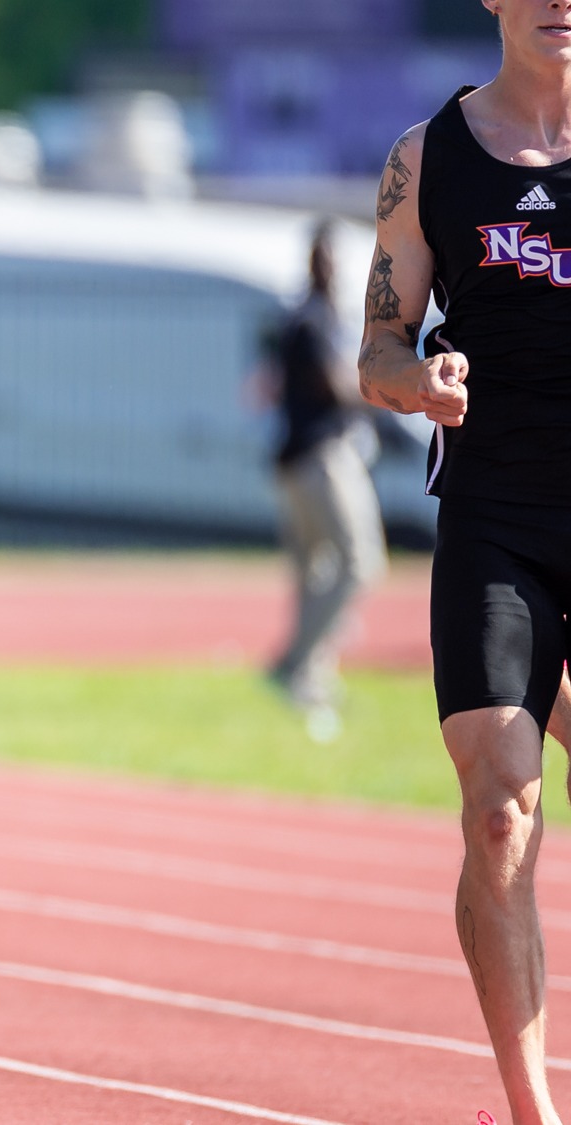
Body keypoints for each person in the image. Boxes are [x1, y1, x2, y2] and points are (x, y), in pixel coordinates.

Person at [357, 2, 571, 1119]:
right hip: (495, 521)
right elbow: (376, 351)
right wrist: (414, 385)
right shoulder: (423, 158)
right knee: (497, 813)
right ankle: (529, 1108)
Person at [265, 223, 387, 741]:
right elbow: (334, 386)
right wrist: (391, 388)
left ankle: (311, 671)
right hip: (320, 458)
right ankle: (295, 662)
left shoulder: (304, 320)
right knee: (358, 562)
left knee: (318, 571)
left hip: (298, 458)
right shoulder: (313, 321)